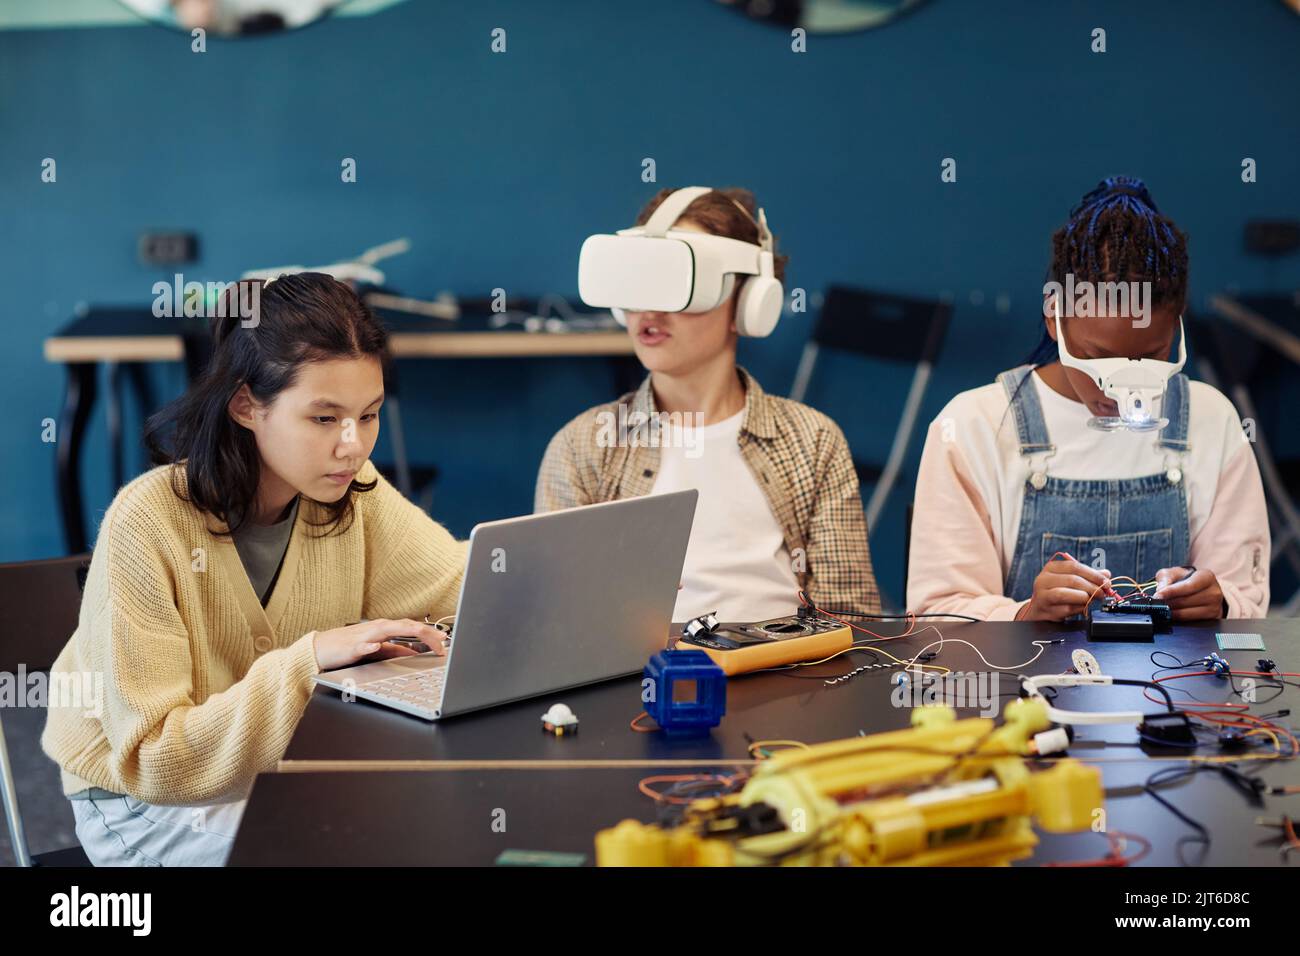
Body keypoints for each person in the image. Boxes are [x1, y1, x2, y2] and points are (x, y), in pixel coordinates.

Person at [42, 272, 464, 865]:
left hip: (275, 774)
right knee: (361, 846)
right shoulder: (148, 520)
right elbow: (157, 760)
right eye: (324, 418)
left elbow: (463, 588)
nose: (353, 445)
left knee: (439, 819)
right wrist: (309, 660)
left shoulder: (352, 490)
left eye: (367, 415)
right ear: (246, 404)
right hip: (143, 806)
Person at [908, 176, 1269, 622]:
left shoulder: (1211, 420)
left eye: (1151, 357)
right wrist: (1025, 615)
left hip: (1174, 687)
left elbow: (1247, 605)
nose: (1122, 389)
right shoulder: (972, 427)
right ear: (1054, 320)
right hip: (1024, 690)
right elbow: (938, 616)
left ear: (1176, 331)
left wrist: (1221, 603)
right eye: (1099, 360)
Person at [537, 186, 880, 621]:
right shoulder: (583, 447)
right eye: (637, 280)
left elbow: (850, 618)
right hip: (642, 683)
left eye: (678, 283)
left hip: (792, 678)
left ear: (749, 300)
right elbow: (560, 625)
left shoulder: (812, 442)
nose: (649, 307)